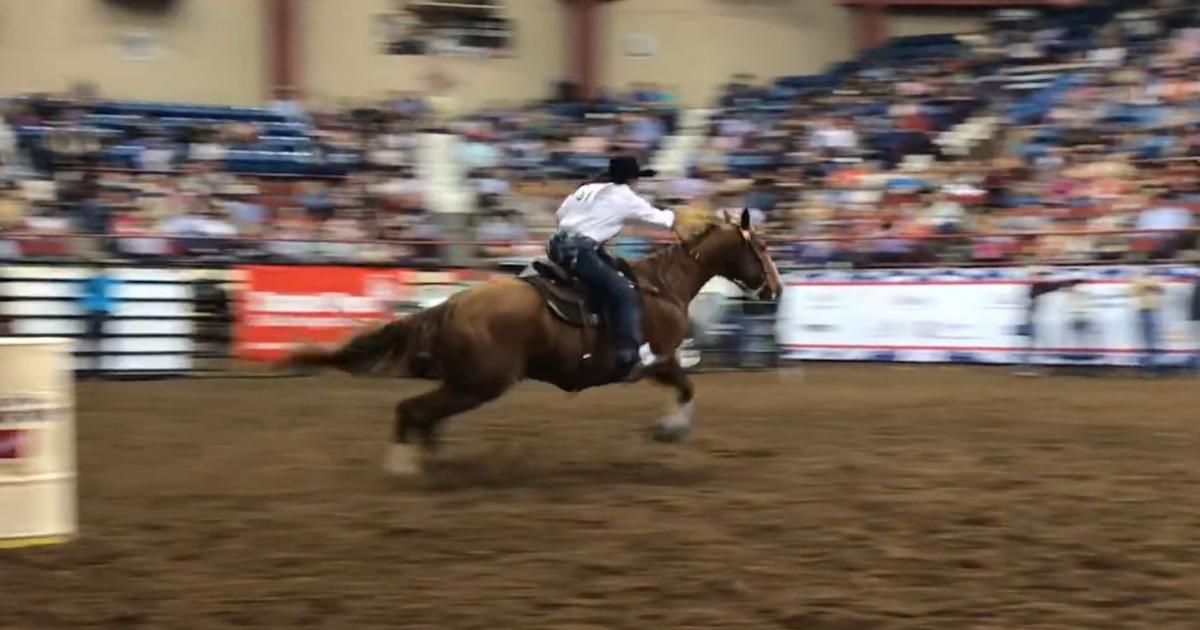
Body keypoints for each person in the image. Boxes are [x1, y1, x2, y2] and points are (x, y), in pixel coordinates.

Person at [548, 156, 676, 379]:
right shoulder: (625, 196)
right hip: (581, 250)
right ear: (631, 179)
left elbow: (560, 215)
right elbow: (662, 220)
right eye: (637, 178)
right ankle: (629, 352)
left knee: (617, 277)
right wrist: (676, 214)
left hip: (558, 246)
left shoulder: (587, 189)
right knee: (624, 292)